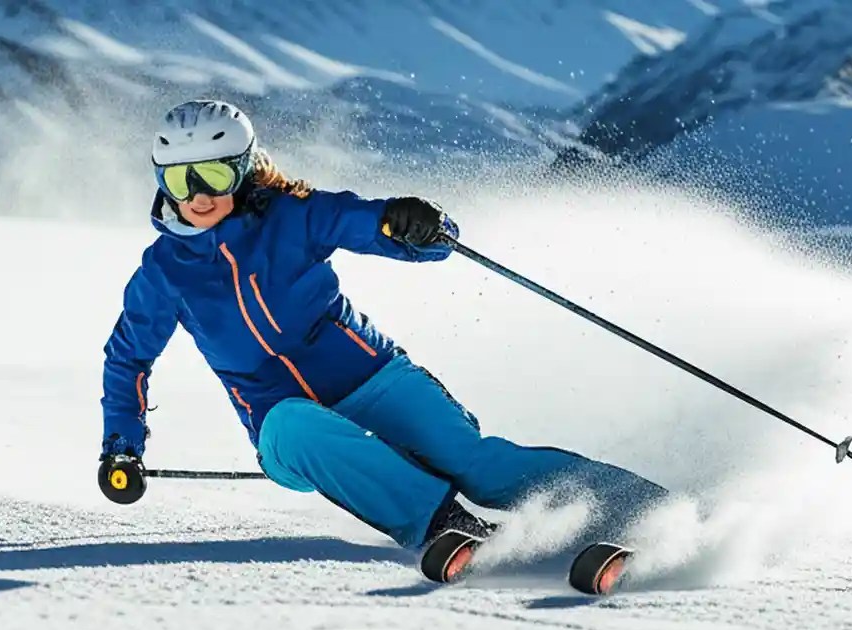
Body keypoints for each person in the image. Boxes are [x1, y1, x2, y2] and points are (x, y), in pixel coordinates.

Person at [98, 100, 667, 585]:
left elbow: (374, 226)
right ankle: (444, 525)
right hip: (288, 428)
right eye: (179, 180)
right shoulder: (164, 274)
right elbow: (128, 360)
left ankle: (642, 509)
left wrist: (413, 225)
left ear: (243, 170)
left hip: (376, 380)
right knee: (293, 423)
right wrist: (122, 446)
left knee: (474, 463)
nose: (196, 196)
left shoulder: (295, 216)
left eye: (213, 177)